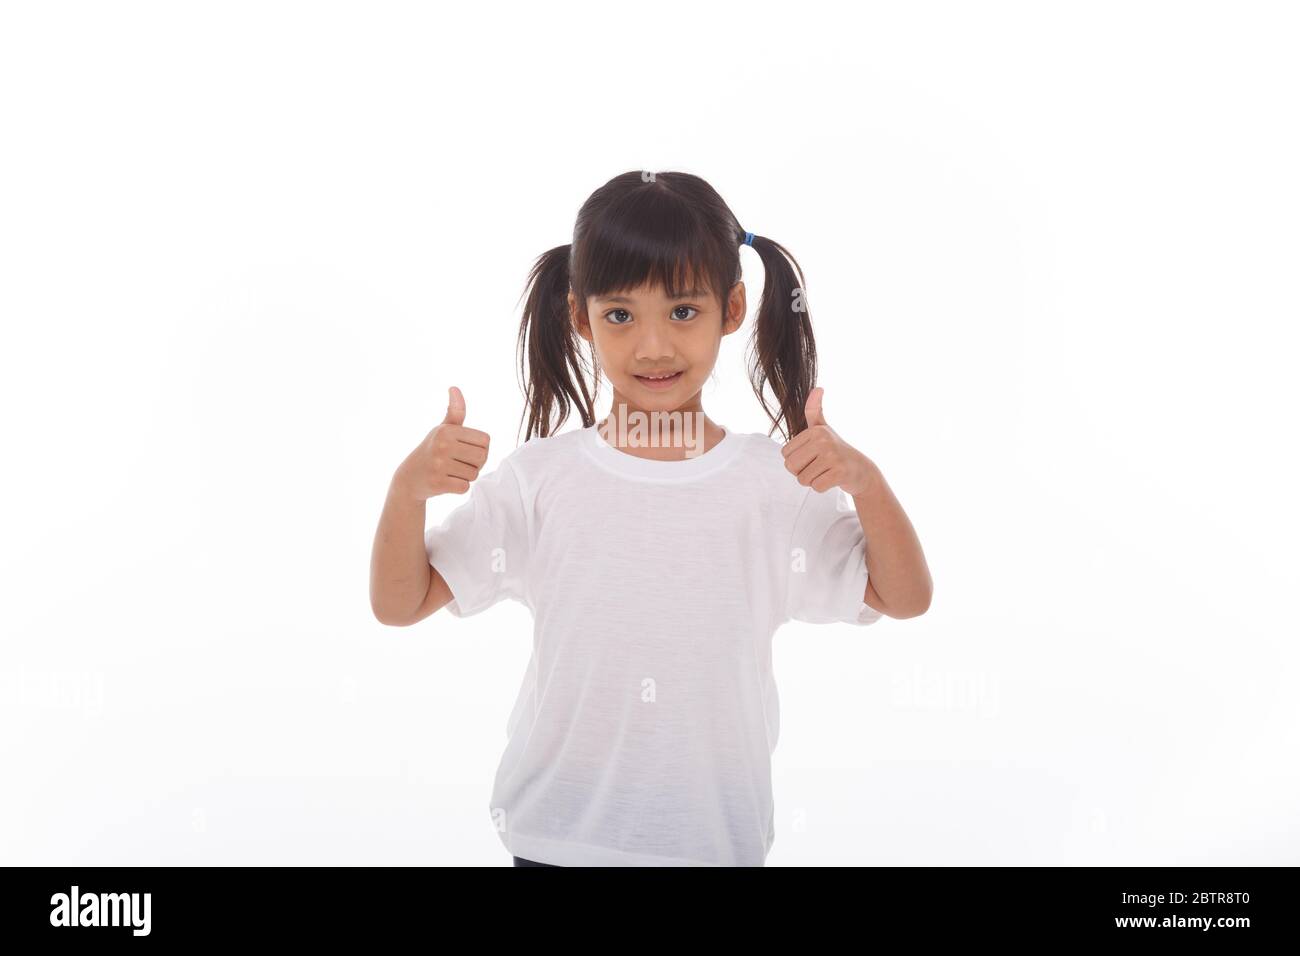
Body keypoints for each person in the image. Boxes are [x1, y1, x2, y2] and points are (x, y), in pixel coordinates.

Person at [369, 170, 933, 867]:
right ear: (581, 317)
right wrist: (406, 491)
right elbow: (401, 603)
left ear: (732, 309)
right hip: (555, 839)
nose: (654, 347)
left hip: (711, 845)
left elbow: (904, 597)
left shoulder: (771, 484)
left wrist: (866, 483)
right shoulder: (540, 480)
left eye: (683, 312)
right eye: (620, 316)